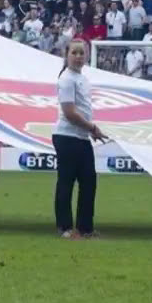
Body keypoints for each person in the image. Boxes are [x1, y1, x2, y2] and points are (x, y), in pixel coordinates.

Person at [54, 38, 108, 239]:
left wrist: (89, 131)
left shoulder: (83, 79)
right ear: (67, 55)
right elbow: (69, 113)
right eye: (74, 53)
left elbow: (82, 109)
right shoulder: (66, 79)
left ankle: (85, 227)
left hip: (81, 136)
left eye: (81, 53)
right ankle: (65, 227)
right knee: (66, 182)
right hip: (67, 136)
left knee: (88, 182)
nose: (78, 57)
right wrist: (93, 128)